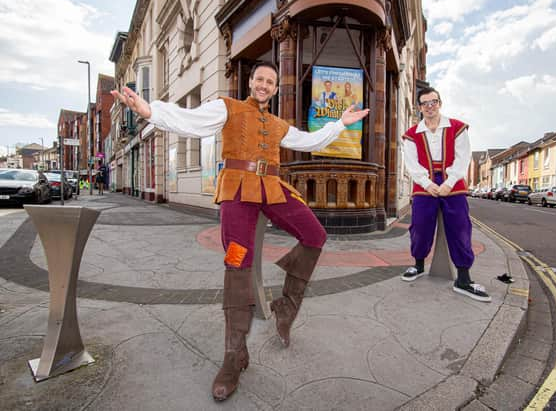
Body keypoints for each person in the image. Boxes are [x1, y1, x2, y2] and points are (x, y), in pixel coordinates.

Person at [111, 61, 369, 401]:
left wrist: (339, 124)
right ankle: (234, 356)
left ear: (276, 89)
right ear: (250, 82)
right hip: (236, 190)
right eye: (259, 79)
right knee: (237, 261)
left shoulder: (278, 124)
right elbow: (191, 121)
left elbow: (308, 140)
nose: (264, 85)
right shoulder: (226, 107)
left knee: (315, 235)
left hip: (273, 189)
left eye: (270, 82)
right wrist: (149, 110)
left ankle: (286, 307)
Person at [400, 86, 491, 302]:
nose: (430, 107)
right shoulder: (411, 135)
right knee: (420, 225)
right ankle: (418, 265)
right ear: (419, 108)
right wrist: (427, 184)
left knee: (459, 227)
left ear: (440, 103)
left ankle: (463, 278)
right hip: (424, 185)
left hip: (453, 183)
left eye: (434, 102)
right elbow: (411, 164)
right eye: (425, 103)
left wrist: (449, 183)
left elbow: (463, 158)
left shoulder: (457, 128)